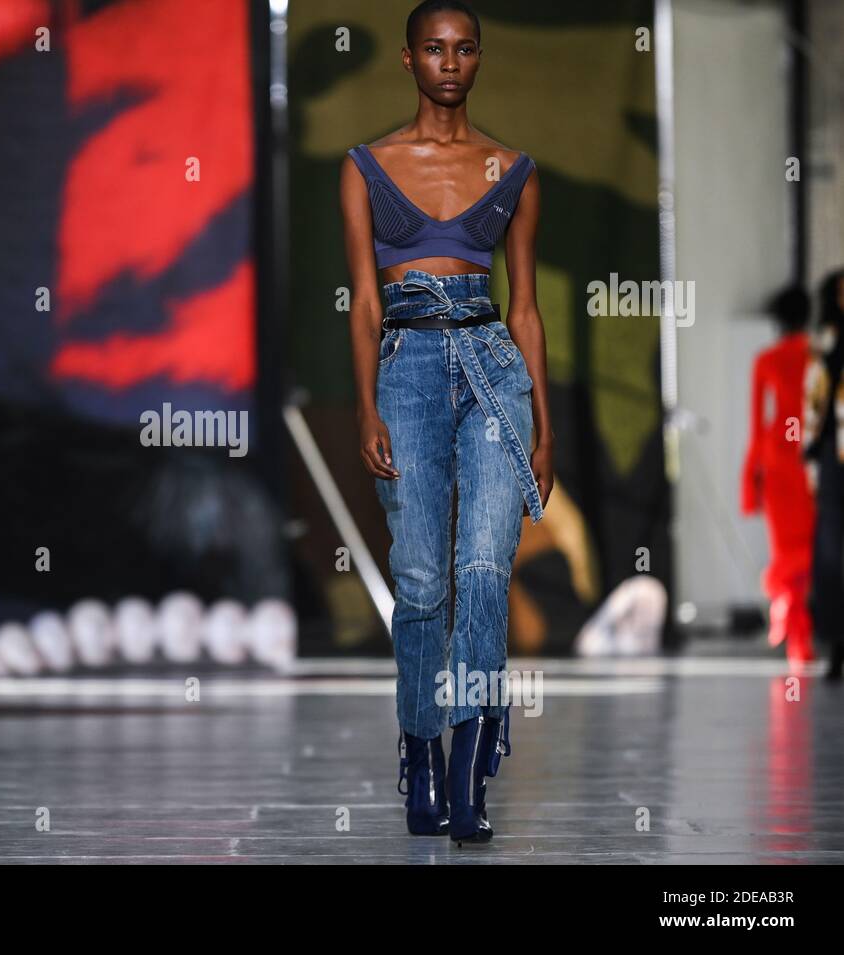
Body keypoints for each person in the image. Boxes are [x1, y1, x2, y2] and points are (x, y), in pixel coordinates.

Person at [338, 0, 553, 845]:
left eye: (465, 49)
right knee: (423, 579)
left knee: (484, 569)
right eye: (435, 48)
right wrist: (364, 405)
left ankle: (470, 769)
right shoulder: (366, 166)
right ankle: (421, 752)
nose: (450, 62)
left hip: (495, 366)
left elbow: (528, 310)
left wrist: (547, 430)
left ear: (478, 59)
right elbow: (362, 300)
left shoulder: (513, 169)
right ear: (408, 60)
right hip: (409, 369)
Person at [741, 286, 815, 669]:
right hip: (810, 461)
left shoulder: (767, 360)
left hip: (777, 464)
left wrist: (748, 483)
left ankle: (792, 622)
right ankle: (797, 629)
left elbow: (757, 428)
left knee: (787, 550)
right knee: (808, 549)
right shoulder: (817, 356)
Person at [803, 269, 844, 681]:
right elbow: (810, 401)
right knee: (831, 551)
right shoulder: (824, 341)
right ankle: (834, 642)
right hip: (832, 456)